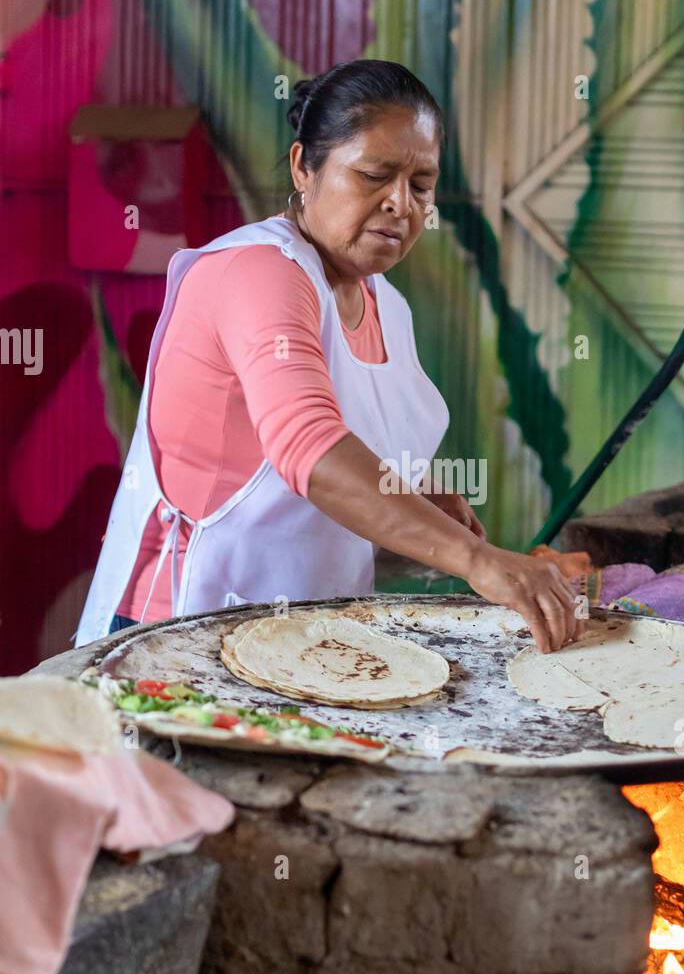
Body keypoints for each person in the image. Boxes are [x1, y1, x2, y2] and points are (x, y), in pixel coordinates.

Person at [77, 60, 581, 654]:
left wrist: (418, 498)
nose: (401, 204)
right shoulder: (258, 273)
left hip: (299, 640)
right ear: (303, 168)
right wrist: (474, 558)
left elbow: (344, 458)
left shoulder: (384, 303)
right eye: (373, 175)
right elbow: (307, 446)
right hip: (180, 633)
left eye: (421, 185)